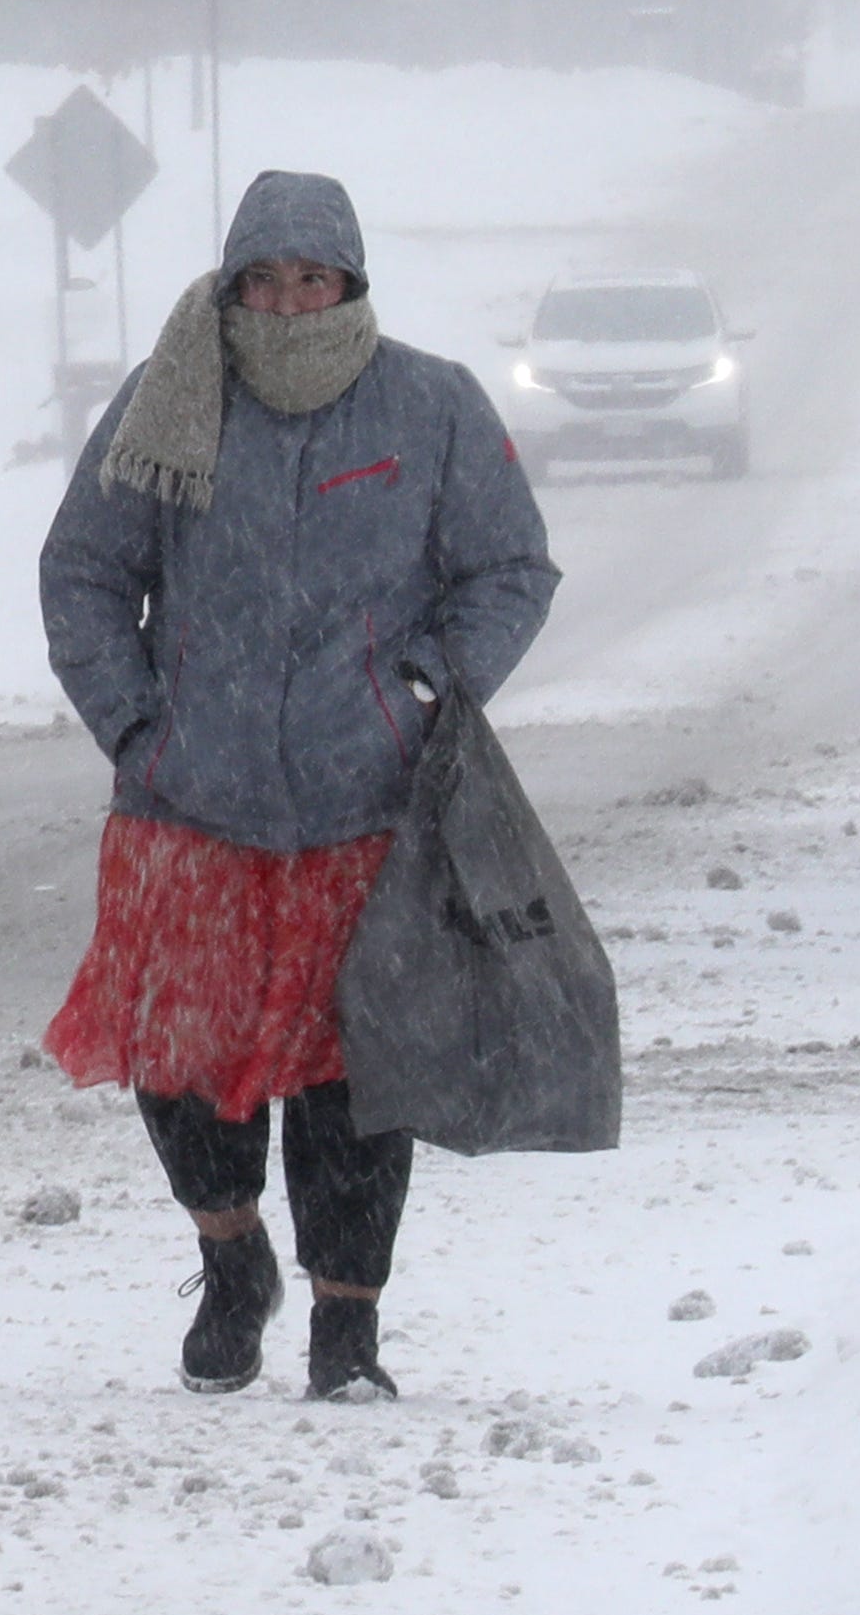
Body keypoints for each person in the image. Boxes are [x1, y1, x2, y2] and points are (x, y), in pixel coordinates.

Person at [37, 170, 559, 1402]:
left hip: (363, 816)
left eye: (310, 278)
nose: (284, 301)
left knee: (350, 1081)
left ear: (352, 285)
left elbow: (509, 569)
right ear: (230, 288)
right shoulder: (167, 404)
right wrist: (134, 725)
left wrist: (424, 694)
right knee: (182, 1061)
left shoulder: (429, 407)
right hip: (190, 810)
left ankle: (347, 1325)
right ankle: (231, 1259)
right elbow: (84, 574)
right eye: (261, 280)